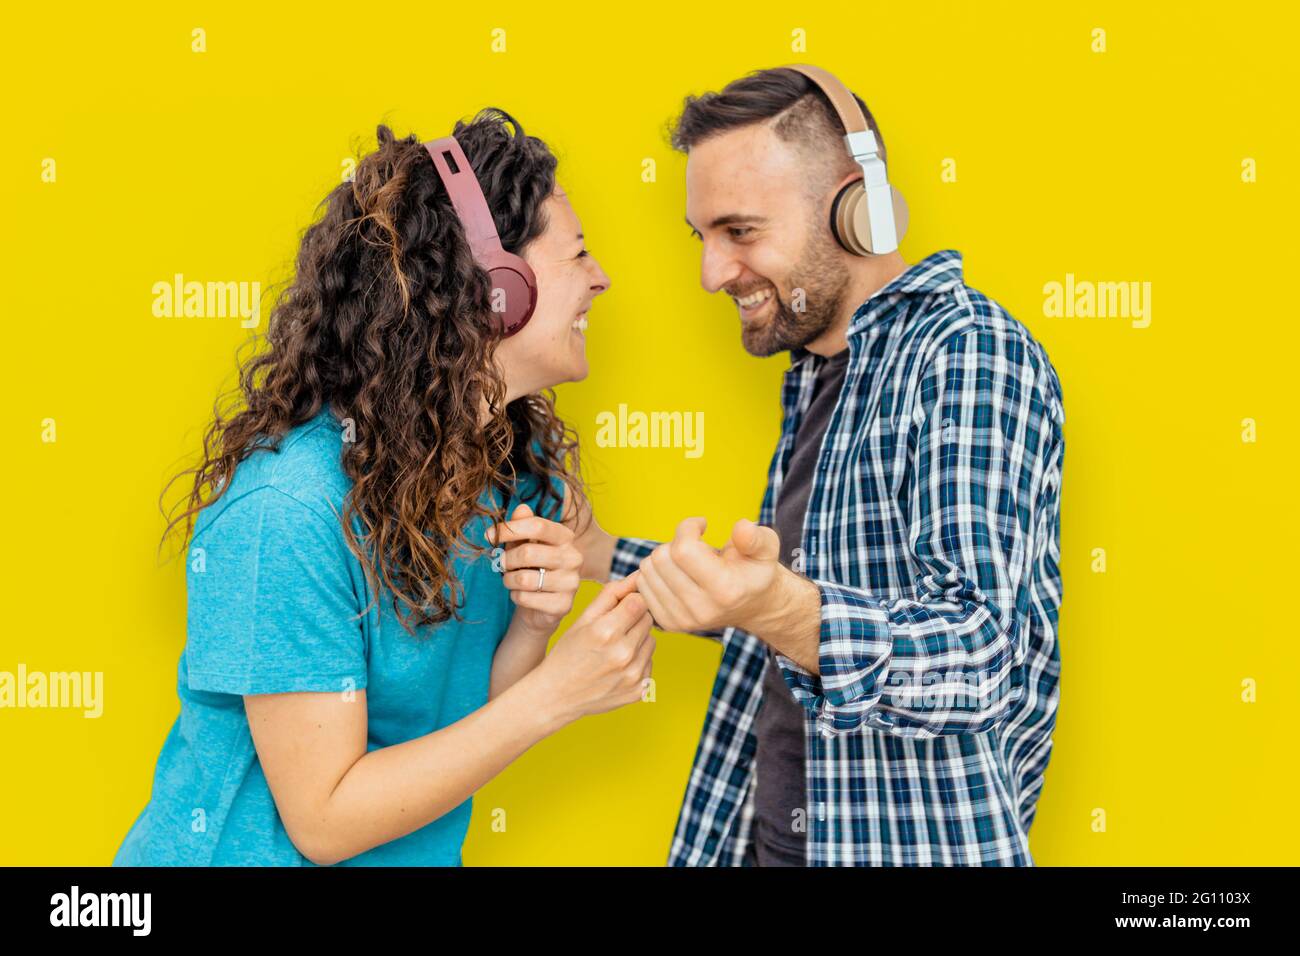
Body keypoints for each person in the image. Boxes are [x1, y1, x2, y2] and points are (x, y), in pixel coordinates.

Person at [114, 109, 655, 867]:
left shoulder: (503, 475)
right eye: (578, 254)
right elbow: (325, 821)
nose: (602, 278)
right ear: (498, 290)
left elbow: (465, 727)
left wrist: (534, 627)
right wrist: (556, 695)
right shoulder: (289, 513)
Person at [573, 66, 1066, 866]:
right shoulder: (819, 375)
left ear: (855, 208)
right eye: (700, 237)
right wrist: (603, 556)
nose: (711, 273)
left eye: (740, 232)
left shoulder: (969, 355)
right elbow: (789, 610)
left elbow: (981, 661)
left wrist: (777, 608)